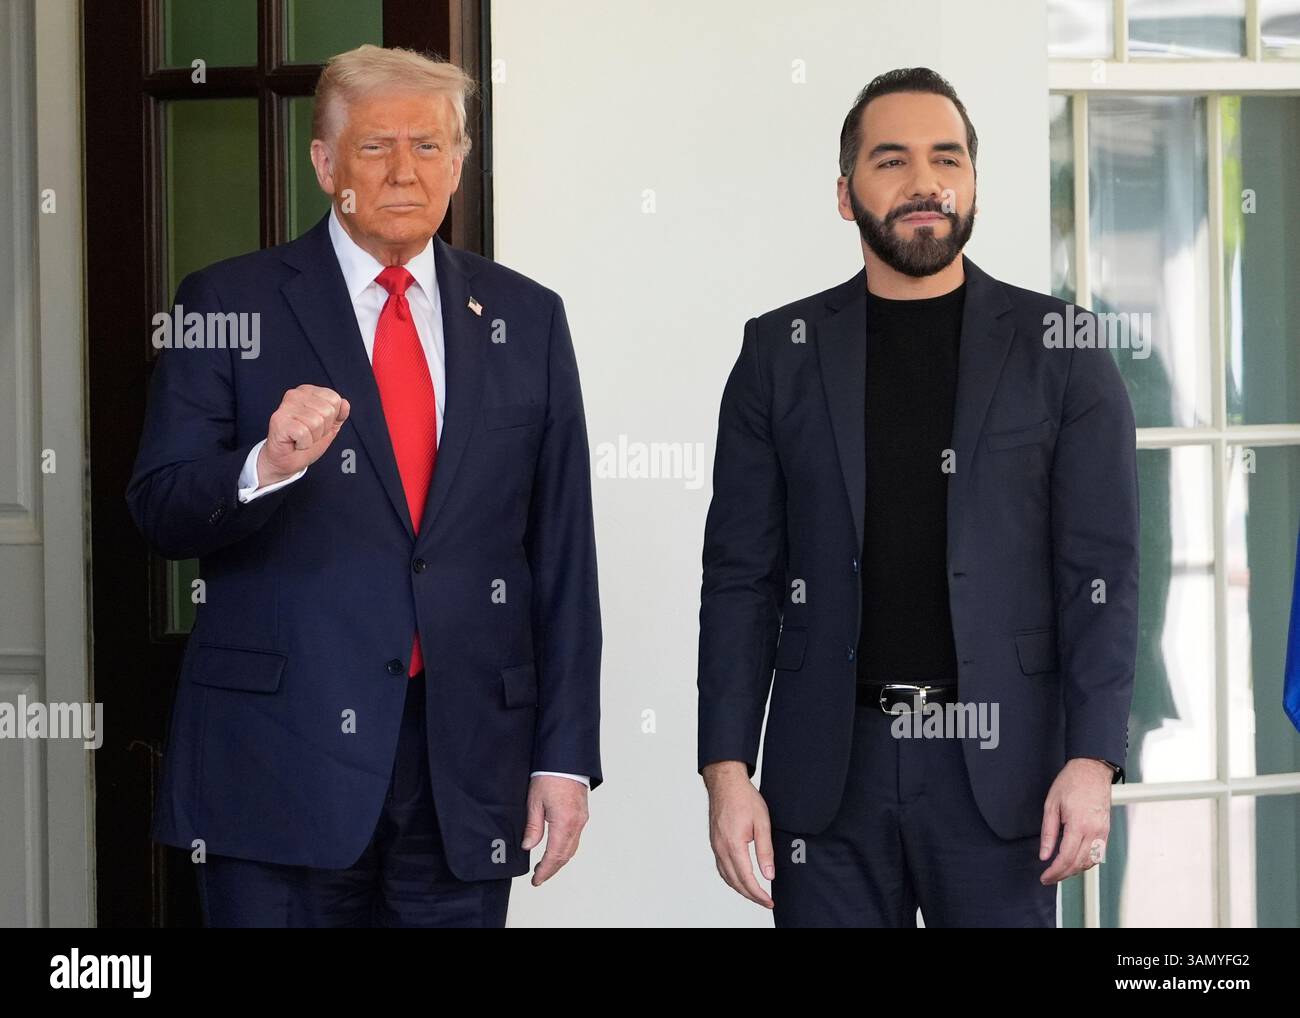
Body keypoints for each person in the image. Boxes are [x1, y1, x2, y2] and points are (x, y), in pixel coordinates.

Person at [127, 45, 601, 927]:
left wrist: (564, 758)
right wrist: (263, 467)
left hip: (465, 767)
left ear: (458, 165)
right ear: (324, 163)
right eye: (376, 146)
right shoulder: (228, 301)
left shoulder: (526, 317)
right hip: (277, 764)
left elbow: (563, 551)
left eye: (429, 147)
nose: (404, 171)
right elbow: (158, 507)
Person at [697, 67, 1137, 928]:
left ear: (973, 183)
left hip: (1004, 774)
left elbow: (1103, 575)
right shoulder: (778, 353)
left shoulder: (1065, 348)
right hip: (829, 773)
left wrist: (1094, 760)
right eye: (891, 161)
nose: (925, 182)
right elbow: (740, 578)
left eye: (947, 159)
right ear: (845, 193)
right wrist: (727, 770)